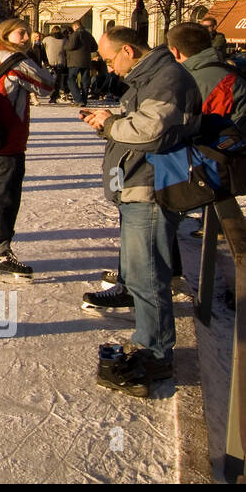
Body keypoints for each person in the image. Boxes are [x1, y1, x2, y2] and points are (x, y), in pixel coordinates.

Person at [81, 27, 201, 397]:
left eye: (110, 59)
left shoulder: (166, 78)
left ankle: (156, 352)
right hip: (138, 184)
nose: (110, 68)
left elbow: (151, 130)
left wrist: (111, 123)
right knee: (141, 273)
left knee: (148, 275)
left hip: (151, 188)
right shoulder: (152, 77)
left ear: (128, 51)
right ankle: (152, 343)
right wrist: (111, 121)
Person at [0, 18, 55, 279]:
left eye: (28, 33)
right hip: (7, 138)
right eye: (21, 33)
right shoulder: (15, 61)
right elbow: (47, 86)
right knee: (4, 196)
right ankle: (0, 252)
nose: (27, 38)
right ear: (5, 34)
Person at [64, 20, 97, 107]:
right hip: (86, 61)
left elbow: (70, 46)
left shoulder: (75, 34)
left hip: (75, 61)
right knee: (85, 81)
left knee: (71, 79)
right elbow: (95, 47)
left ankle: (78, 99)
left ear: (75, 26)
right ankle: (84, 99)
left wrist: (66, 46)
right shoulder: (88, 34)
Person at [43, 25, 67, 103]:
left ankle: (48, 92)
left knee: (48, 79)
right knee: (57, 81)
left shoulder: (47, 39)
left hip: (49, 62)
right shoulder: (64, 40)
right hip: (60, 61)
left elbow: (42, 48)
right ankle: (55, 96)